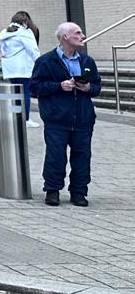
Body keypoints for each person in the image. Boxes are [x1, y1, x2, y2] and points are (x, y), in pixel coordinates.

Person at [30, 22, 100, 207]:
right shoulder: (46, 61)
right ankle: (52, 190)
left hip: (83, 119)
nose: (82, 36)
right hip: (57, 119)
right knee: (55, 156)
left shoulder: (87, 61)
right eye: (77, 33)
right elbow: (35, 87)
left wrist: (88, 87)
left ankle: (79, 192)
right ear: (65, 37)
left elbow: (97, 87)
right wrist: (59, 86)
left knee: (82, 157)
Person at [0, 11, 42, 128]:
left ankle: (17, 117)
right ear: (25, 22)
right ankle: (26, 119)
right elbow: (33, 50)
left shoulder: (4, 33)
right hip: (23, 67)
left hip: (9, 68)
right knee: (25, 92)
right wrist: (40, 64)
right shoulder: (25, 33)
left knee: (15, 93)